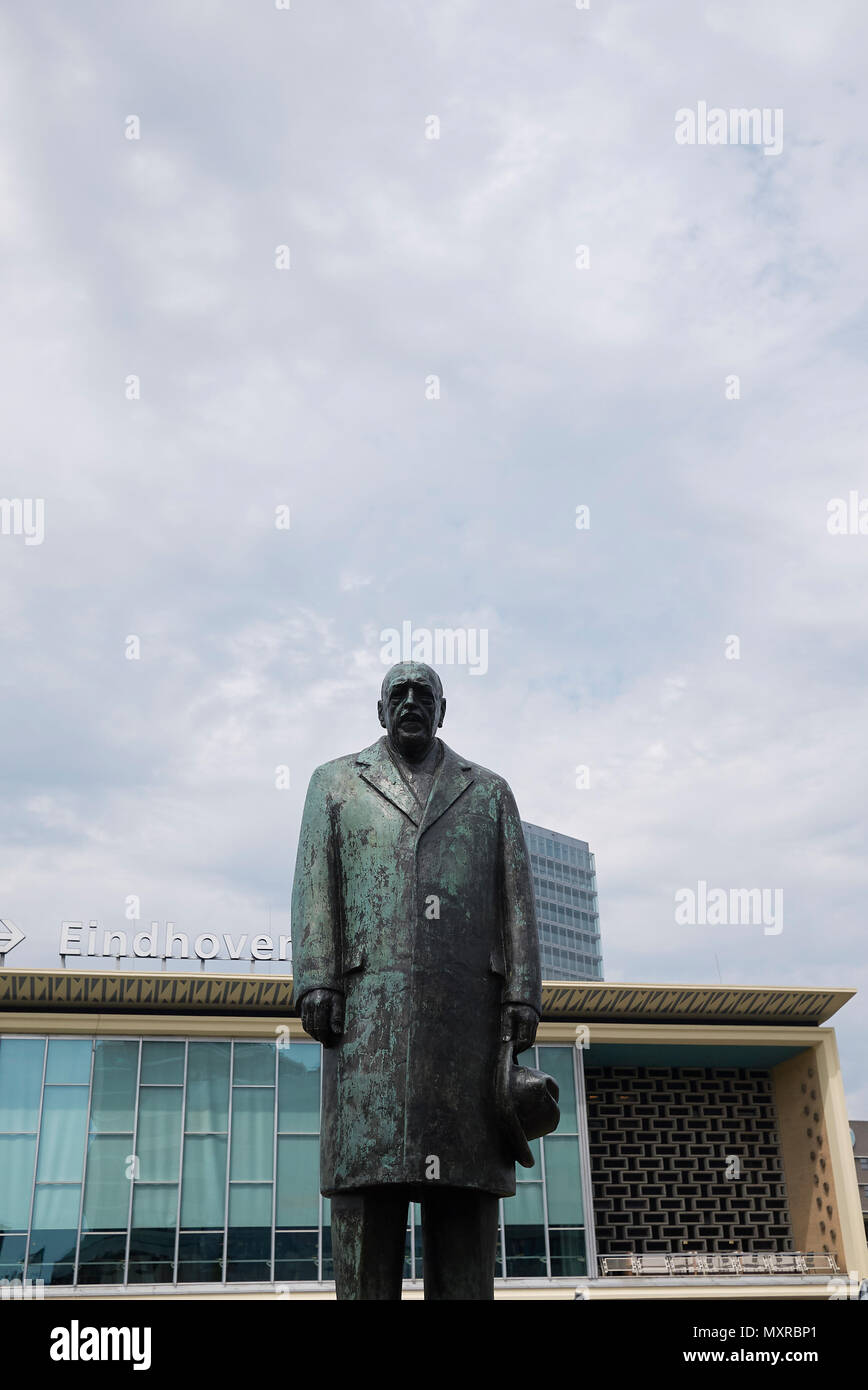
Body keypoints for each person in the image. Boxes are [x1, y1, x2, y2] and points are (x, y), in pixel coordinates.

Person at [291, 661, 542, 1299]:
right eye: (396, 694)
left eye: (422, 694)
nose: (410, 702)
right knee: (366, 1206)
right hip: (365, 1026)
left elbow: (517, 899)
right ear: (379, 711)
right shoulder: (336, 784)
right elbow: (315, 888)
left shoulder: (488, 792)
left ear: (442, 709)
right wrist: (317, 978)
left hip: (467, 1027)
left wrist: (522, 993)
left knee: (463, 1216)